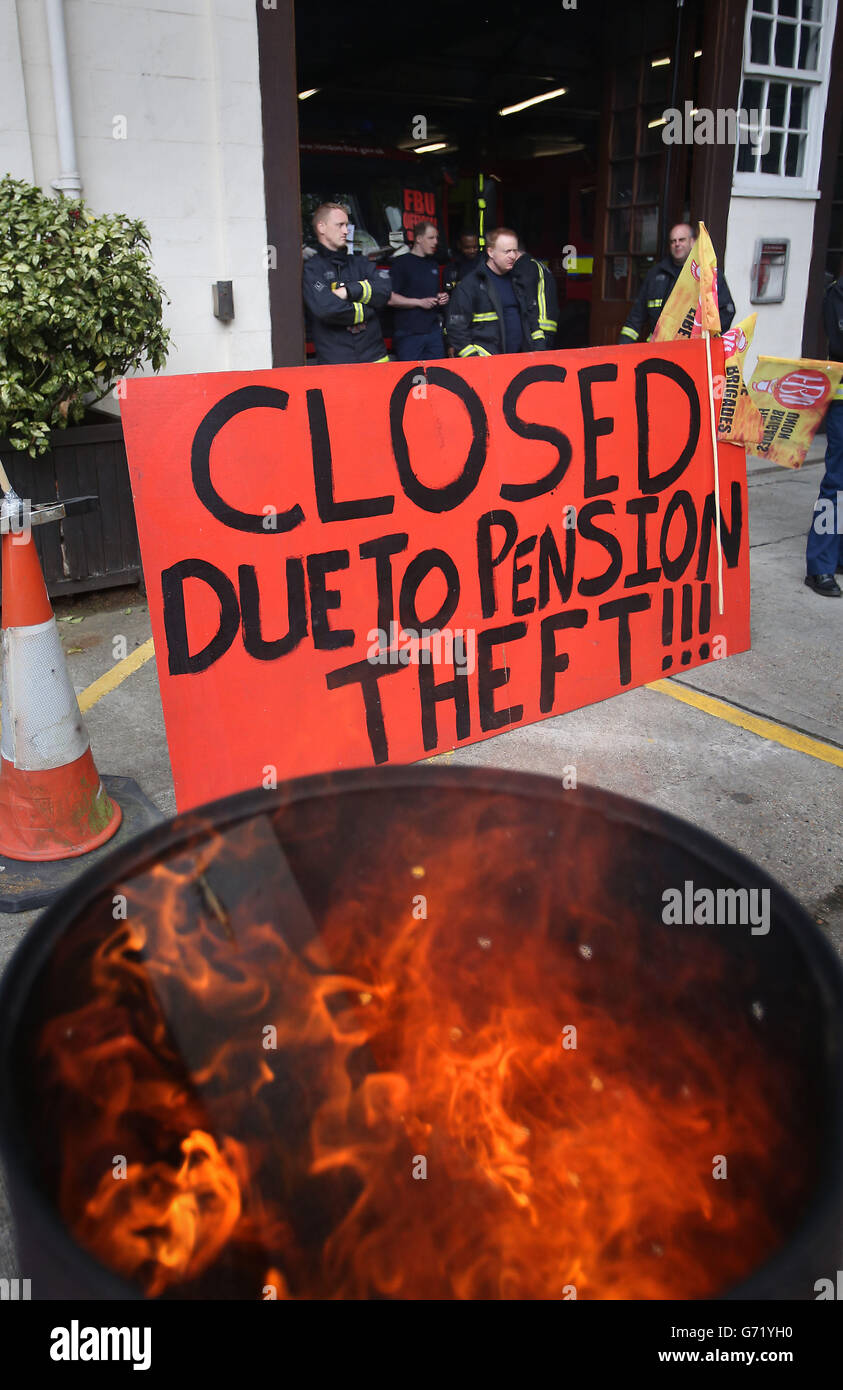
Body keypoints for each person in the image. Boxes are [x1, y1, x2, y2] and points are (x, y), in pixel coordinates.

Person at [302, 203, 391, 365]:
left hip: (375, 359)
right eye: (340, 225)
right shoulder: (312, 270)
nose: (346, 231)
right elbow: (326, 309)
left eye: (347, 225)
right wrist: (368, 309)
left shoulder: (361, 263)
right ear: (322, 227)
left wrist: (349, 291)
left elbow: (384, 291)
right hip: (337, 363)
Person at [618, 221, 736, 344]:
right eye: (673, 241)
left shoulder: (707, 274)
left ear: (693, 242)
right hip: (658, 348)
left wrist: (707, 341)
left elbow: (726, 310)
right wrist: (623, 347)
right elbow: (636, 316)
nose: (677, 244)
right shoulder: (655, 274)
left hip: (693, 350)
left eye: (682, 240)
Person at [446, 226, 547, 358]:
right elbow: (457, 330)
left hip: (519, 361)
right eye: (507, 251)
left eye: (515, 251)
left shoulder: (518, 281)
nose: (512, 256)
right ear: (491, 252)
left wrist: (539, 348)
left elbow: (530, 317)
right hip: (487, 366)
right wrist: (475, 360)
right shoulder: (469, 286)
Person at [805, 264, 843, 596]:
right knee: (836, 486)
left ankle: (838, 553)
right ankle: (820, 566)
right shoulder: (836, 295)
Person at [387, 221, 449, 361]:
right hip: (409, 334)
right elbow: (390, 298)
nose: (435, 242)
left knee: (437, 376)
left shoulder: (433, 264)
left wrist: (441, 297)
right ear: (419, 239)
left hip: (433, 332)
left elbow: (430, 293)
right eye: (431, 238)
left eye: (437, 238)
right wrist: (419, 303)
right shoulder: (401, 263)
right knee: (411, 379)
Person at [511, 247, 559, 347]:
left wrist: (536, 332)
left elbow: (528, 300)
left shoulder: (525, 265)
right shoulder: (538, 265)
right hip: (548, 327)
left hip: (537, 328)